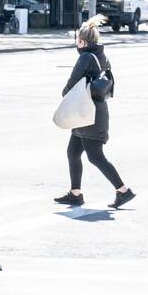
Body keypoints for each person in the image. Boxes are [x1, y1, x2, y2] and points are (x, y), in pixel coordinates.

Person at [54, 16, 134, 209]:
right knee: (73, 152)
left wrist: (64, 93)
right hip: (91, 112)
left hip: (88, 114)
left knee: (95, 156)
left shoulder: (85, 57)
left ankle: (123, 190)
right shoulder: (101, 56)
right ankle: (75, 193)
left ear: (82, 41)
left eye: (77, 41)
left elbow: (70, 85)